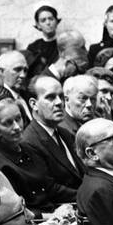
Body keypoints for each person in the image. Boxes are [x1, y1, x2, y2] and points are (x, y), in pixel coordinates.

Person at [17, 76, 84, 208]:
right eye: (50, 97)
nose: (59, 102)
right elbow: (50, 188)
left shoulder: (65, 133)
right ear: (33, 104)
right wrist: (88, 194)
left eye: (61, 96)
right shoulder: (29, 142)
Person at [24, 4, 61, 77]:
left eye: (51, 19)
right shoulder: (33, 47)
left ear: (56, 21)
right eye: (43, 20)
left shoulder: (64, 43)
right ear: (38, 25)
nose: (48, 23)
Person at [60, 73, 98, 142]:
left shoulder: (97, 120)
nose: (89, 104)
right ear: (66, 99)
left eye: (93, 99)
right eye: (82, 98)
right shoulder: (62, 130)